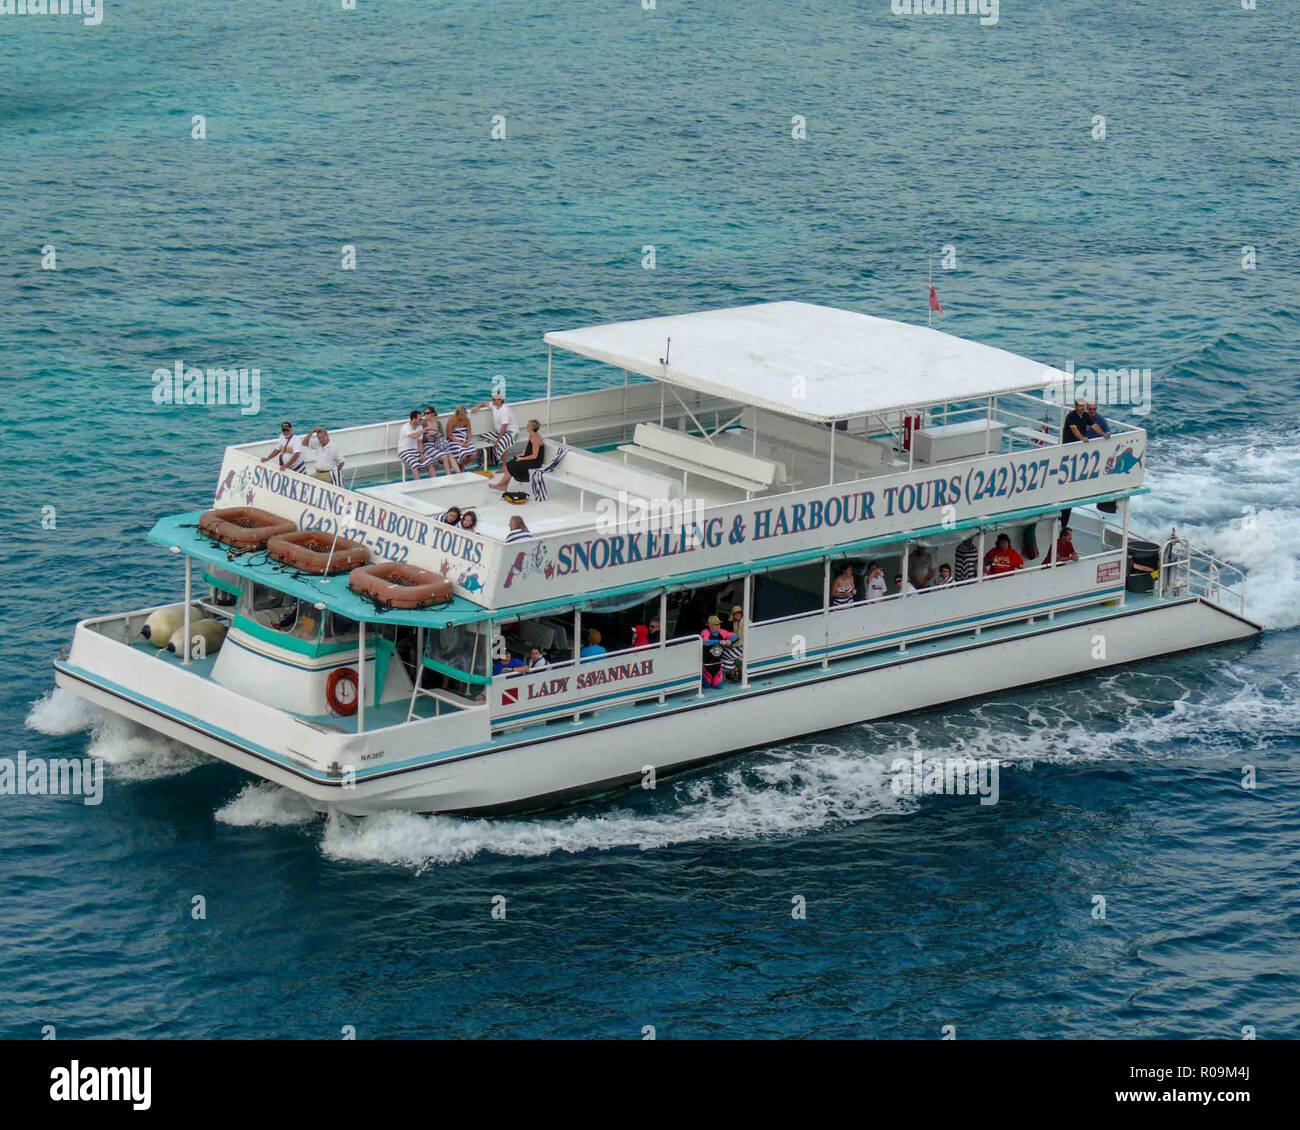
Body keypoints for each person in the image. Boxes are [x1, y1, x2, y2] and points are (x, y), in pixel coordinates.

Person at [489, 419, 545, 492]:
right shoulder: (532, 435)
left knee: (514, 464)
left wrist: (522, 459)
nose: (526, 426)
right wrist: (521, 455)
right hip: (530, 459)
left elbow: (534, 456)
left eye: (528, 425)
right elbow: (529, 450)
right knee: (511, 462)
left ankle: (500, 485)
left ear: (532, 428)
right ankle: (503, 485)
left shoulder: (535, 438)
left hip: (535, 462)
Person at [473, 389, 520, 466]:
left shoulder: (504, 410)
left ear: (502, 400)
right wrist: (477, 407)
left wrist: (498, 439)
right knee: (484, 438)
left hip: (511, 432)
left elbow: (504, 427)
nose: (495, 401)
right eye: (494, 399)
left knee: (501, 443)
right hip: (498, 431)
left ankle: (504, 466)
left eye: (498, 399)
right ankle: (489, 460)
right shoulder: (494, 405)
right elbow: (483, 403)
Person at [699, 615, 736, 688]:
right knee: (706, 686)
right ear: (710, 625)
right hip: (707, 666)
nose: (718, 626)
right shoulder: (705, 632)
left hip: (718, 665)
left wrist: (729, 641)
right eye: (716, 624)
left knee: (718, 687)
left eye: (719, 624)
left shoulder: (722, 632)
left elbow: (735, 635)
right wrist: (719, 641)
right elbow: (705, 641)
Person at [420, 406, 458, 476]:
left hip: (438, 444)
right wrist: (427, 436)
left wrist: (436, 434)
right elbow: (421, 439)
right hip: (428, 446)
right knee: (444, 457)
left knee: (450, 456)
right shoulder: (423, 424)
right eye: (424, 413)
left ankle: (459, 474)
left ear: (432, 414)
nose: (425, 415)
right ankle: (449, 476)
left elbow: (442, 436)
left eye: (427, 413)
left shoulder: (438, 423)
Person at [397, 410, 428, 479]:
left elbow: (420, 442)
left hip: (415, 450)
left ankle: (434, 481)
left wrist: (421, 453)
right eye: (420, 419)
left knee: (429, 462)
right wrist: (424, 430)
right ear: (414, 419)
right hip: (404, 451)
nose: (421, 420)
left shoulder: (420, 427)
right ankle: (418, 482)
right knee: (414, 464)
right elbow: (413, 436)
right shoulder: (405, 427)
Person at [722, 604, 745, 681]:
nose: (737, 615)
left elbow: (740, 637)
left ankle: (733, 670)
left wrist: (731, 644)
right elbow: (735, 635)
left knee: (724, 653)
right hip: (740, 645)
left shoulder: (744, 622)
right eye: (735, 613)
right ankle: (733, 669)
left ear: (741, 613)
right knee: (724, 650)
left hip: (745, 647)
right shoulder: (736, 622)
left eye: (739, 613)